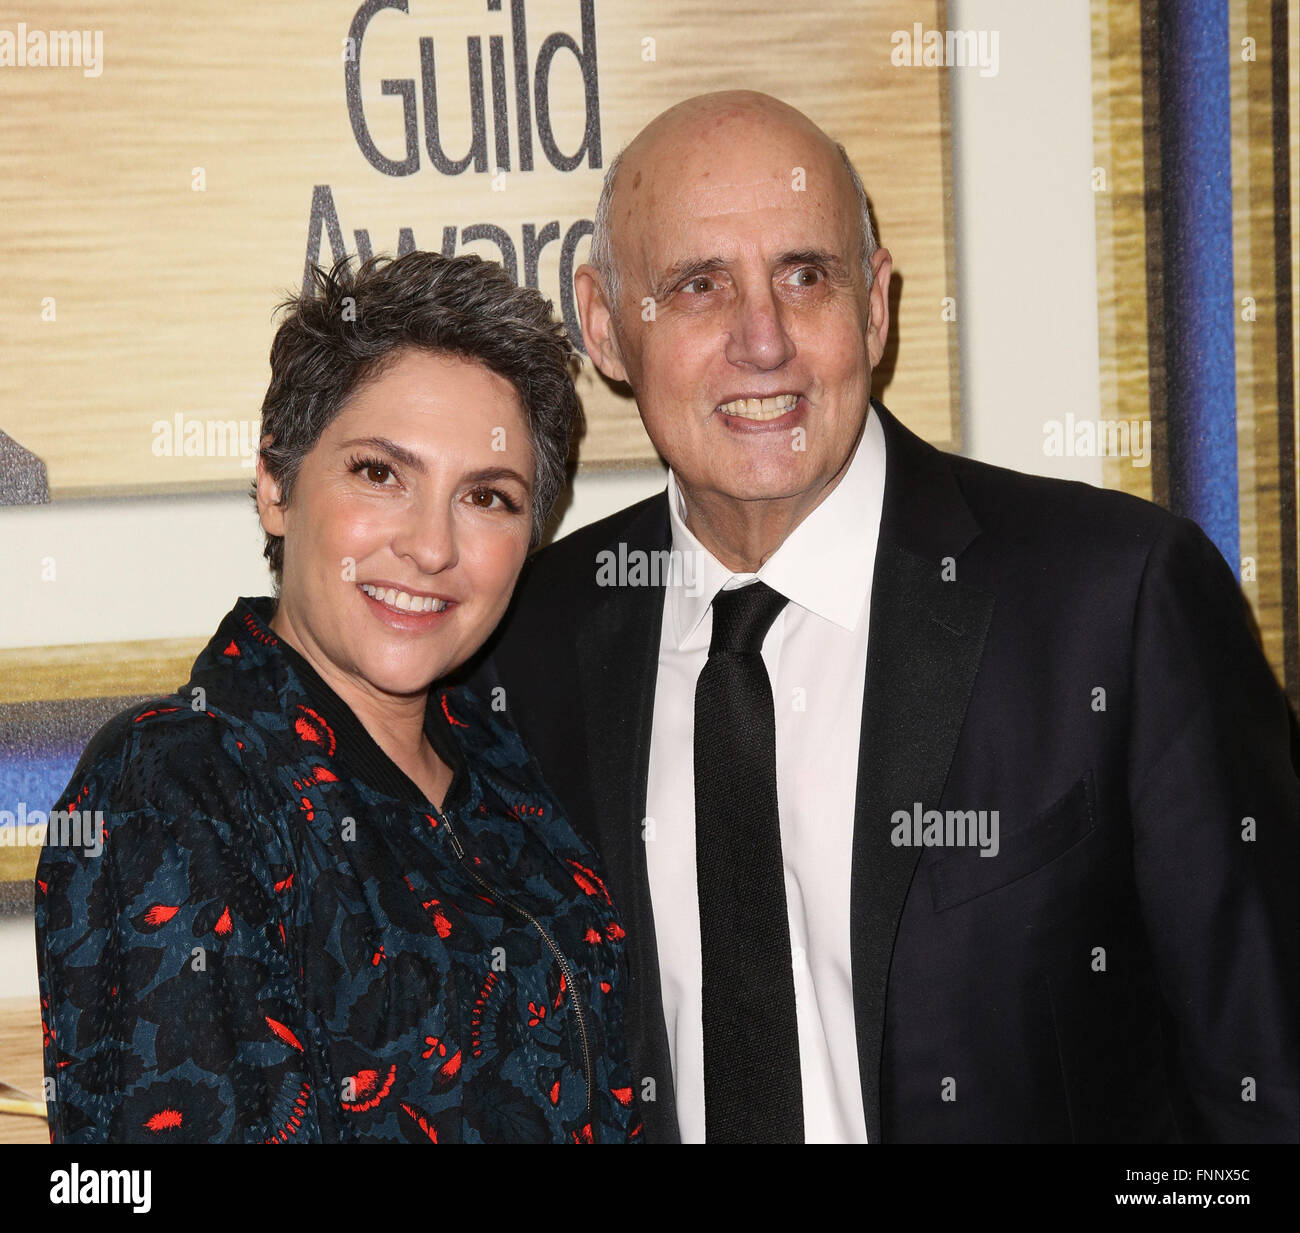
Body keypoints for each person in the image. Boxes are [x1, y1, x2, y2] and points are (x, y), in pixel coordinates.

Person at [467, 91, 1300, 1144]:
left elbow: (1265, 1083)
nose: (760, 341)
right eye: (696, 286)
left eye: (805, 276)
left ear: (875, 305)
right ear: (603, 326)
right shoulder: (529, 642)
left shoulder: (1116, 601)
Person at [35, 251, 640, 1144]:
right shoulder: (175, 786)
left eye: (487, 496)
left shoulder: (515, 761)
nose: (432, 546)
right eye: (379, 473)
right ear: (277, 484)